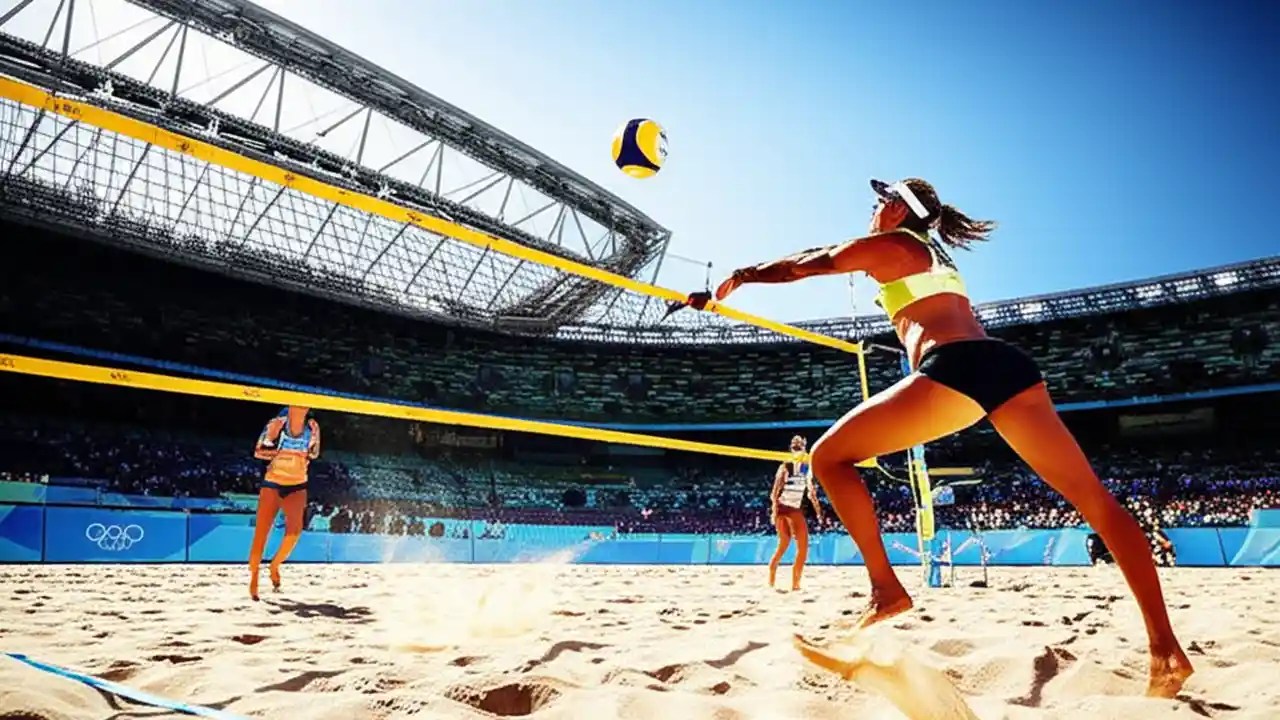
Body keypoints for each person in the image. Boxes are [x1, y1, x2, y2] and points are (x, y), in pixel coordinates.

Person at [694, 177, 1192, 697]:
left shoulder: (893, 243)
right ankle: (1165, 649)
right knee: (1096, 501)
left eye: (880, 201)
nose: (873, 207)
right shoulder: (933, 252)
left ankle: (886, 591)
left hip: (957, 367)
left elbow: (806, 262)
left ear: (897, 211)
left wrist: (741, 275)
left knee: (828, 458)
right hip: (1008, 367)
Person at [248, 406, 320, 601]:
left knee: (294, 533)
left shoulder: (312, 427)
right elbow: (259, 452)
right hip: (273, 483)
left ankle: (274, 565)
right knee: (261, 535)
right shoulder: (276, 424)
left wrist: (314, 441)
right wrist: (277, 447)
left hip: (297, 485)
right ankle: (254, 577)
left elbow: (313, 455)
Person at [768, 436, 825, 591]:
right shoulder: (786, 467)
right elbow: (774, 493)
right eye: (796, 447)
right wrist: (774, 512)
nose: (798, 449)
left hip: (789, 508)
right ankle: (782, 582)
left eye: (799, 447)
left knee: (785, 545)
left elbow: (811, 494)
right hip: (786, 508)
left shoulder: (806, 468)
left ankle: (789, 583)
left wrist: (818, 511)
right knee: (797, 546)